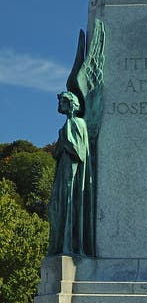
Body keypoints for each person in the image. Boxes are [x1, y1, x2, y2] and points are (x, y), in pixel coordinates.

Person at [48, 92, 94, 256]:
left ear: (71, 103)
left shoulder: (77, 123)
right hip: (62, 172)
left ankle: (70, 246)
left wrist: (64, 140)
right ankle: (61, 245)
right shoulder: (66, 126)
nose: (60, 104)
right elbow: (56, 153)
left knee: (69, 204)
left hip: (73, 173)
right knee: (56, 206)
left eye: (64, 101)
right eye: (60, 101)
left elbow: (78, 151)